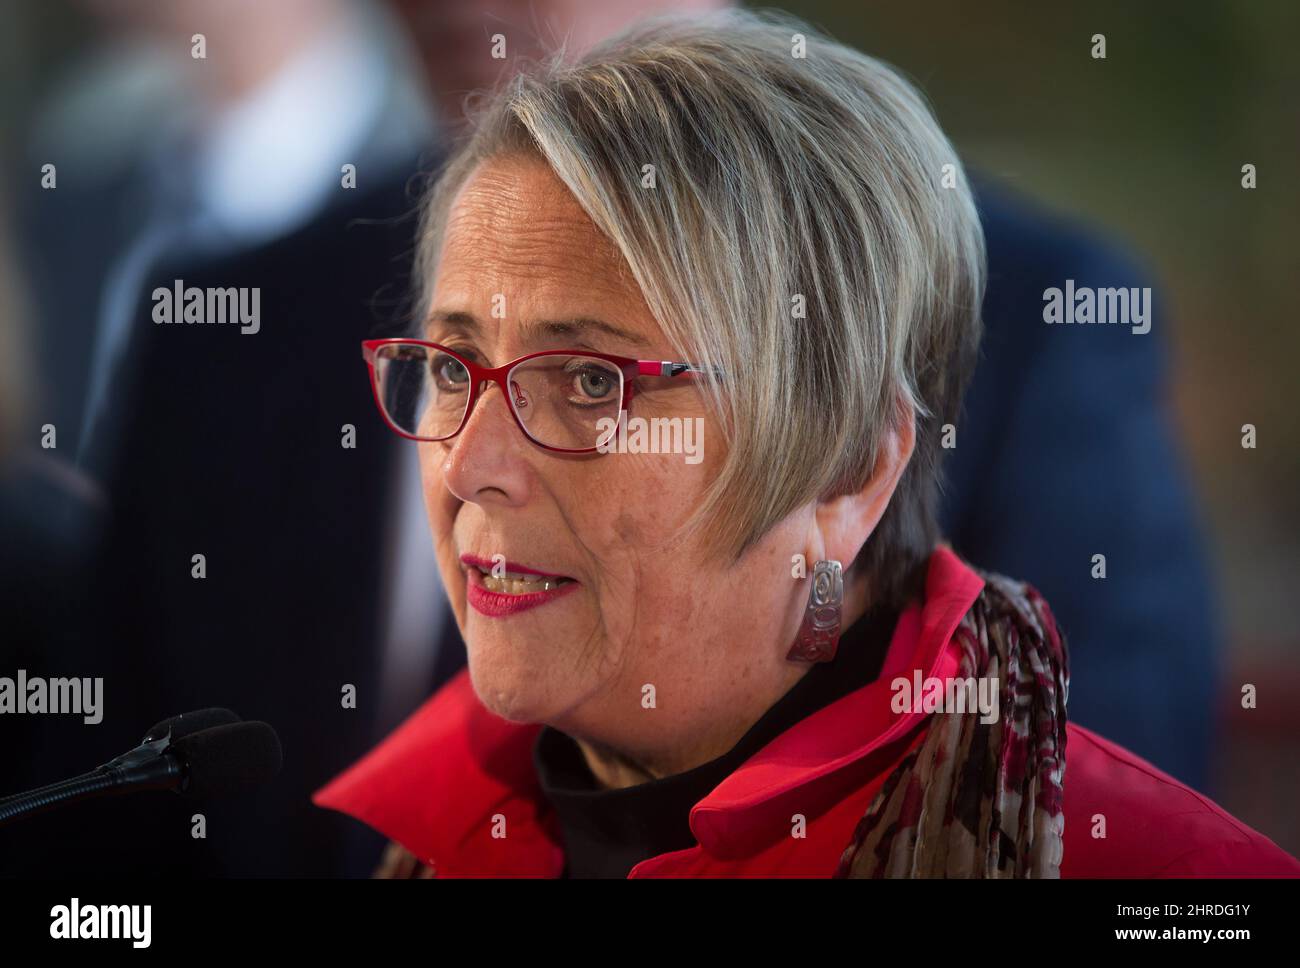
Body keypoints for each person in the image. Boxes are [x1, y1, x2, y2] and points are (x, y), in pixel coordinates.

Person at [313, 10, 1295, 877]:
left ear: (850, 467)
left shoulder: (1152, 872)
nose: (471, 462)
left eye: (587, 381)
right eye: (450, 364)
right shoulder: (424, 832)